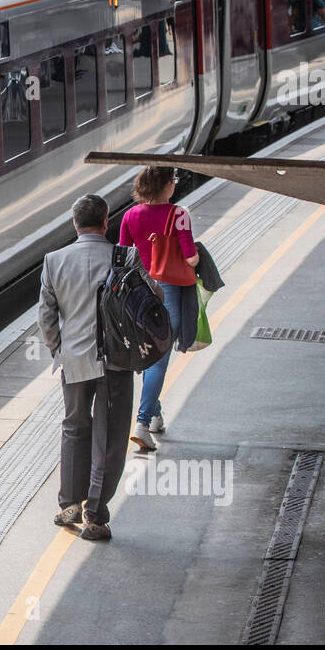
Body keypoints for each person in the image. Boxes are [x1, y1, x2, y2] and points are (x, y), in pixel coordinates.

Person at [37, 195, 135, 541]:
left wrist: (58, 349)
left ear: (74, 223)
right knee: (110, 436)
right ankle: (95, 516)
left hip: (75, 359)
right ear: (106, 222)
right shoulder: (125, 258)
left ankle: (69, 506)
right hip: (117, 361)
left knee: (75, 427)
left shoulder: (54, 261)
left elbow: (46, 318)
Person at [118, 166, 199, 451]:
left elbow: (123, 257)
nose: (174, 186)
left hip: (138, 295)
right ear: (166, 186)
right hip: (167, 293)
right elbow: (190, 259)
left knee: (148, 355)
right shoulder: (179, 215)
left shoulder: (130, 215)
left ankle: (154, 415)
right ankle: (141, 423)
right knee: (159, 358)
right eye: (173, 181)